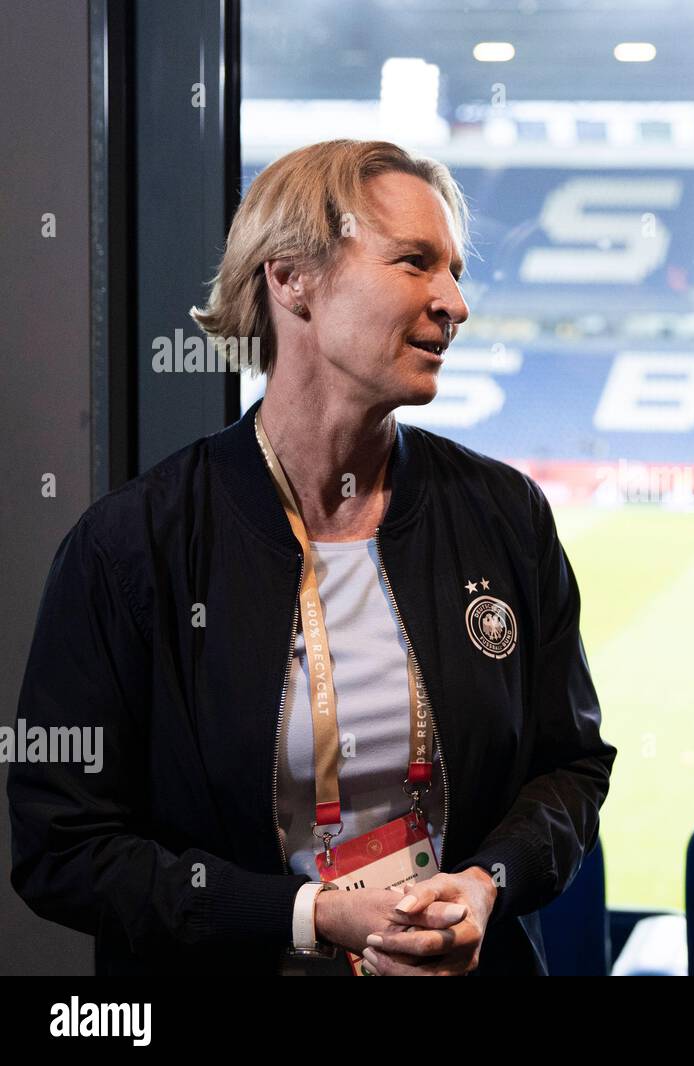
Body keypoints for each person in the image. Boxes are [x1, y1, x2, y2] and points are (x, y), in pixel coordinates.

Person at [8, 139, 616, 975]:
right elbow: (63, 846)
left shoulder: (505, 515)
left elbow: (571, 766)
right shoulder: (132, 547)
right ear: (290, 277)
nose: (454, 302)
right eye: (415, 262)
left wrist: (485, 885)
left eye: (456, 271)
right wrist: (309, 917)